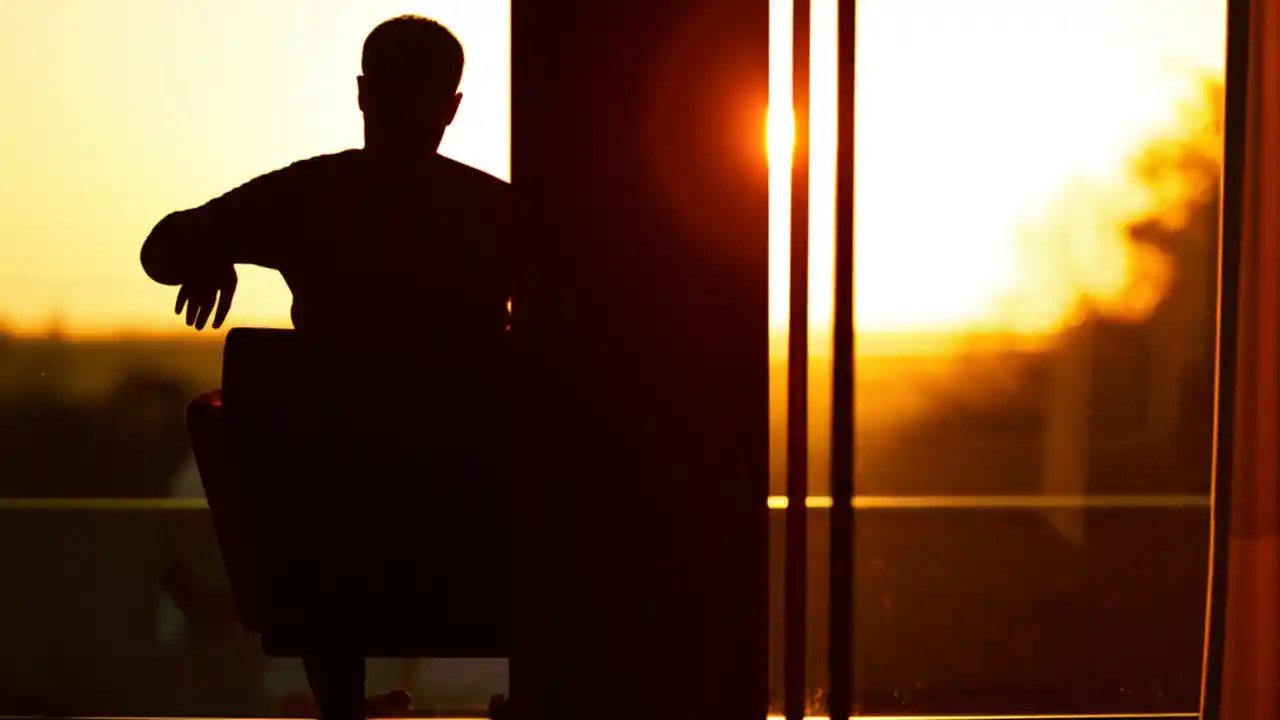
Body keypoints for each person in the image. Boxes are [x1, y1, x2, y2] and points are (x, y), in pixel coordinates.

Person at [140, 16, 511, 720]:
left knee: (293, 445)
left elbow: (161, 248)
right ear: (452, 107)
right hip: (465, 532)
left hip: (326, 548)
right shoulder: (498, 212)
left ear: (364, 94)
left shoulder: (307, 198)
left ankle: (274, 624)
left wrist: (210, 249)